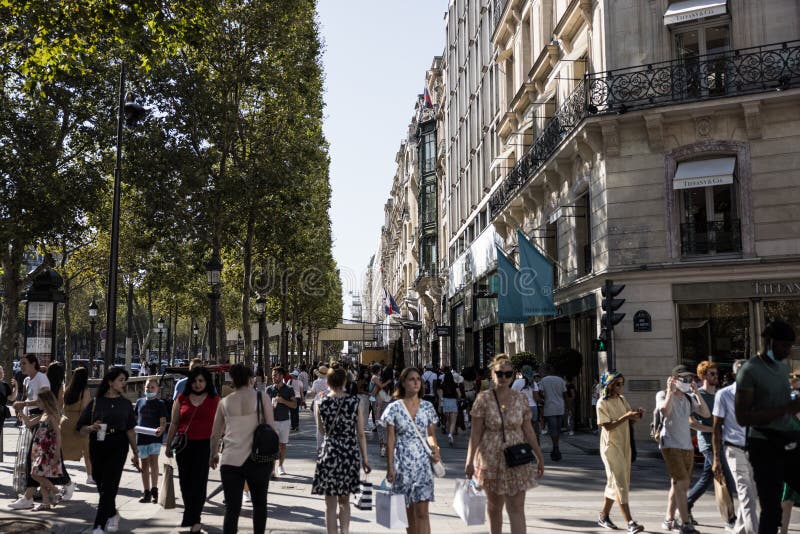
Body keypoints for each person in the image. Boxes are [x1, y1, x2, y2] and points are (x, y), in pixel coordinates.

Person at [465, 354, 544, 534]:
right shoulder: (483, 399)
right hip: (490, 458)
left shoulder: (521, 399)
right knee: (494, 509)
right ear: (492, 374)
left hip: (517, 457)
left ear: (513, 376)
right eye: (500, 374)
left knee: (516, 509)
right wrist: (469, 461)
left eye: (508, 374)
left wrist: (539, 456)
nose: (504, 378)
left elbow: (529, 430)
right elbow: (475, 433)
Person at [734, 320, 800, 534]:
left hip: (787, 439)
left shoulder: (782, 368)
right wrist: (785, 409)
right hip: (763, 444)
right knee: (771, 509)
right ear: (770, 342)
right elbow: (743, 417)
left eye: (791, 346)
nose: (788, 351)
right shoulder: (750, 370)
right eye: (784, 346)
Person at [210, 363, 276, 534]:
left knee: (232, 508)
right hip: (259, 459)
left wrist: (213, 454)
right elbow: (271, 429)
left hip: (231, 459)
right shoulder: (263, 398)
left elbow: (215, 434)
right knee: (260, 504)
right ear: (250, 379)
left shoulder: (224, 402)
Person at [76, 368, 140, 534]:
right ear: (110, 382)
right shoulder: (96, 402)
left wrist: (135, 452)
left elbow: (130, 430)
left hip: (118, 444)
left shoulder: (125, 404)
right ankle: (112, 513)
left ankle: (98, 525)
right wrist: (91, 427)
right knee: (99, 480)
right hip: (97, 444)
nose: (124, 383)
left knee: (110, 485)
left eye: (125, 380)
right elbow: (80, 429)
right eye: (121, 379)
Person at [312, 367, 371, 534]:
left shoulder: (321, 402)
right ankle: (344, 532)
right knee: (344, 502)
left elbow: (321, 430)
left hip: (329, 452)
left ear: (327, 382)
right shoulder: (354, 403)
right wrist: (365, 458)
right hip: (348, 452)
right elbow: (360, 433)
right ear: (345, 382)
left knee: (330, 505)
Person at [382, 367, 440, 534]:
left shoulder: (428, 406)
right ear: (403, 382)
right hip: (402, 465)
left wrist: (435, 450)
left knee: (423, 513)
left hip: (423, 463)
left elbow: (430, 435)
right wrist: (390, 466)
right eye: (411, 379)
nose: (416, 382)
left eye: (418, 379)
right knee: (408, 513)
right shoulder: (394, 408)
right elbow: (390, 440)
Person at [656, 364, 710, 534]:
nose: (688, 381)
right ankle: (685, 523)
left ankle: (668, 519)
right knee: (683, 483)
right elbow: (664, 411)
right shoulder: (663, 394)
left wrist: (697, 392)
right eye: (684, 378)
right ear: (674, 379)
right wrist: (670, 391)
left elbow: (706, 414)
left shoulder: (688, 397)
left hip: (686, 446)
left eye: (690, 378)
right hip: (670, 445)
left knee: (677, 485)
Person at [166, 366, 220, 533]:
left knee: (199, 483)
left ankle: (194, 519)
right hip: (184, 446)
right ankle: (191, 515)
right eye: (195, 381)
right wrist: (168, 445)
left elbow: (219, 428)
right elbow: (174, 423)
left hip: (204, 445)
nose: (197, 384)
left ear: (206, 382)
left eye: (201, 381)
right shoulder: (182, 398)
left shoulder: (215, 400)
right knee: (185, 482)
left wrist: (215, 451)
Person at [712, 359, 758, 534]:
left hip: (754, 450)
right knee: (745, 492)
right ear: (734, 374)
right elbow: (716, 428)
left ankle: (739, 529)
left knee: (752, 494)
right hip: (734, 449)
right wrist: (716, 459)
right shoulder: (723, 395)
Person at [595, 372, 645, 533]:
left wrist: (636, 415)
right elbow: (607, 426)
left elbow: (629, 418)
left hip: (624, 444)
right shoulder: (602, 403)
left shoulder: (622, 399)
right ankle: (630, 522)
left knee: (615, 482)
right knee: (620, 483)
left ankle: (603, 516)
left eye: (622, 384)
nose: (620, 387)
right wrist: (627, 416)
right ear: (609, 385)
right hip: (611, 447)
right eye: (617, 384)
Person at [688, 360, 736, 528]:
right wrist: (711, 430)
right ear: (703, 376)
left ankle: (686, 504)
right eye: (712, 374)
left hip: (722, 441)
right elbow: (691, 422)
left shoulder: (719, 395)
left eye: (717, 374)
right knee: (727, 478)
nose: (716, 376)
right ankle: (731, 519)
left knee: (707, 478)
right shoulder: (697, 395)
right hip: (708, 444)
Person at [10, 354, 52, 508]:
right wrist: (22, 408)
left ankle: (30, 496)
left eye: (24, 363)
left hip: (40, 419)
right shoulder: (27, 380)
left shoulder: (41, 378)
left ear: (33, 363)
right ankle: (44, 499)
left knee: (33, 461)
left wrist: (23, 404)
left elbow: (46, 400)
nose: (21, 366)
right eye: (20, 363)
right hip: (29, 420)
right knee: (34, 461)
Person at [20, 390, 62, 511]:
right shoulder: (44, 414)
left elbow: (58, 434)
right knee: (42, 476)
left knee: (35, 474)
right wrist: (20, 412)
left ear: (46, 401)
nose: (37, 403)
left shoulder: (52, 415)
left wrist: (57, 453)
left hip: (48, 451)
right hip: (41, 450)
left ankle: (57, 491)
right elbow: (28, 424)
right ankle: (45, 503)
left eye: (39, 401)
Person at [134, 378, 167, 503]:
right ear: (144, 388)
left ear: (157, 389)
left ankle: (154, 490)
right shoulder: (139, 402)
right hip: (141, 437)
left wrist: (162, 428)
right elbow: (135, 418)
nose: (149, 389)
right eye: (148, 387)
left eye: (152, 387)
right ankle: (146, 492)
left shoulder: (160, 404)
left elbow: (163, 421)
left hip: (154, 437)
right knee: (144, 464)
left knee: (154, 463)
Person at [61, 367, 93, 484]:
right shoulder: (85, 391)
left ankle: (61, 475)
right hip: (78, 422)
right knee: (87, 450)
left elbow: (62, 407)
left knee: (62, 450)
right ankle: (90, 476)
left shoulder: (68, 389)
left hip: (65, 421)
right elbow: (85, 409)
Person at [266, 366, 297, 477]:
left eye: (275, 375)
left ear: (281, 376)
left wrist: (283, 401)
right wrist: (270, 407)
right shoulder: (269, 389)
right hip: (272, 421)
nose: (273, 377)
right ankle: (272, 469)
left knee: (282, 445)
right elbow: (265, 406)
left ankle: (280, 466)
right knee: (272, 446)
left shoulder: (289, 389)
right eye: (273, 375)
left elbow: (294, 405)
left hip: (284, 421)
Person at [538, 366, 567, 461]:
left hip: (549, 407)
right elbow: (564, 394)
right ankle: (556, 447)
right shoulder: (561, 380)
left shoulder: (543, 380)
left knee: (553, 429)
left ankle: (555, 448)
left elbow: (540, 392)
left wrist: (544, 398)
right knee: (557, 429)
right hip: (560, 407)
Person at [512, 365, 541, 440]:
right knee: (533, 428)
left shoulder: (517, 382)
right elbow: (536, 398)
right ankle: (535, 445)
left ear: (522, 372)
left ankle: (524, 446)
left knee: (522, 428)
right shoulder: (533, 383)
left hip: (521, 408)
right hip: (533, 407)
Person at [438, 370, 460, 446]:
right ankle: (450, 434)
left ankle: (449, 433)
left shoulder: (442, 385)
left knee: (448, 420)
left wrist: (440, 406)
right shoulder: (455, 384)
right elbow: (459, 394)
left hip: (445, 403)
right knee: (453, 422)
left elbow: (440, 397)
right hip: (453, 402)